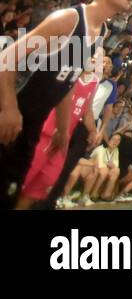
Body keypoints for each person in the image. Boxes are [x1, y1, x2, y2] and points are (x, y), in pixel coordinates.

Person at [0, 0, 132, 208]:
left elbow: (67, 82)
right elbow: (7, 57)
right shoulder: (69, 19)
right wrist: (10, 108)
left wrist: (63, 131)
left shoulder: (100, 32)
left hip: (31, 125)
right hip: (12, 117)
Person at [13, 63, 101, 209]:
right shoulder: (67, 73)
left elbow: (87, 110)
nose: (94, 60)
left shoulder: (94, 81)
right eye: (92, 56)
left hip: (64, 139)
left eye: (97, 56)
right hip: (47, 133)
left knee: (44, 182)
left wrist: (92, 131)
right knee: (25, 179)